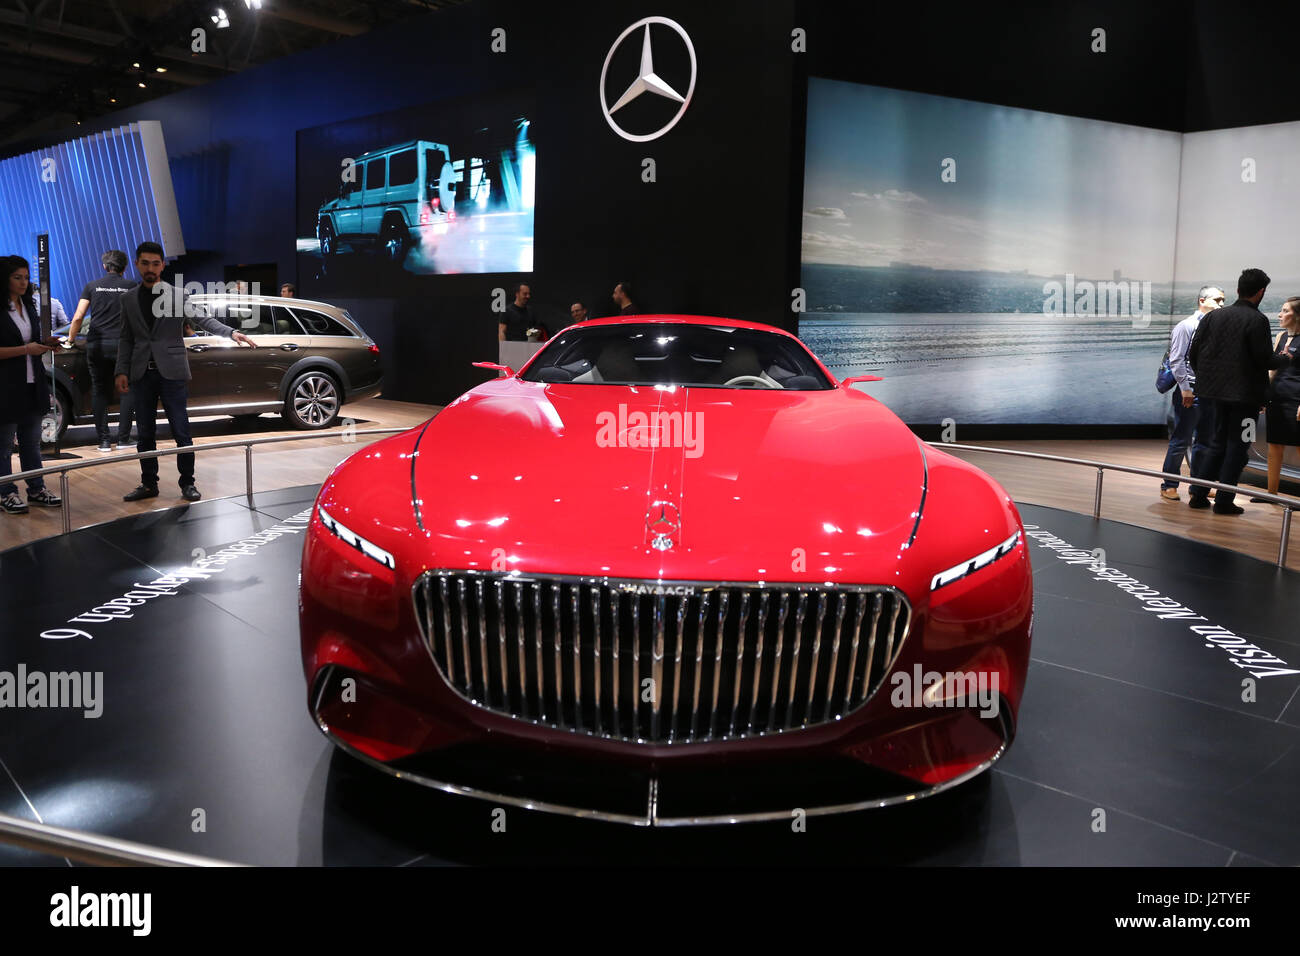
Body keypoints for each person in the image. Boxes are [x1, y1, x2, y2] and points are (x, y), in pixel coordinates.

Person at [114, 242, 257, 503]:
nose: (150, 268)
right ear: (137, 264)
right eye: (145, 263)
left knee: (182, 431)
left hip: (172, 373)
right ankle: (148, 483)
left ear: (162, 265)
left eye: (155, 263)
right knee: (145, 433)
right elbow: (126, 338)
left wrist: (232, 332)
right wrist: (121, 370)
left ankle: (188, 483)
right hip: (141, 375)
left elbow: (204, 319)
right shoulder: (127, 299)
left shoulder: (178, 295)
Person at [1187, 268, 1292, 514]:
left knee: (1215, 443)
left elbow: (1194, 353)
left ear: (1237, 289)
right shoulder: (1258, 321)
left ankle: (1198, 495)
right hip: (1246, 400)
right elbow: (1265, 360)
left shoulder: (1214, 317)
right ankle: (1224, 501)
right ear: (1261, 292)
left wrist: (1207, 379)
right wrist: (1285, 358)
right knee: (1239, 447)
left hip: (1212, 395)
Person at [0, 255, 62, 514]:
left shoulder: (29, 305)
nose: (24, 282)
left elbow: (32, 341)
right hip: (5, 386)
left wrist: (46, 342)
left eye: (26, 277)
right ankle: (6, 493)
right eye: (17, 277)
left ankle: (36, 488)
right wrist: (27, 348)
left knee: (31, 442)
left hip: (33, 382)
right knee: (3, 445)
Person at [65, 250, 139, 452]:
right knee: (126, 389)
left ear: (104, 266)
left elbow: (79, 317)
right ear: (125, 268)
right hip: (123, 346)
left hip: (97, 345)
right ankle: (124, 439)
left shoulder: (92, 286)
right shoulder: (132, 286)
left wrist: (71, 339)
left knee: (99, 390)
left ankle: (104, 441)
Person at [1158, 285, 1225, 500]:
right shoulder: (1186, 326)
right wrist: (1186, 389)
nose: (1221, 304)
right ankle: (1169, 484)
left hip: (1210, 391)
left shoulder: (1217, 328)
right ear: (1202, 301)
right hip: (1192, 391)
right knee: (1181, 439)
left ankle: (1199, 486)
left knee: (1205, 440)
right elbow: (1177, 359)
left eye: (1223, 300)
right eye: (1217, 300)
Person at [1255, 295, 1300, 500]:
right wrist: (1264, 395)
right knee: (1274, 446)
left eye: (1285, 311)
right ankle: (1271, 493)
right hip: (1277, 398)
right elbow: (1272, 370)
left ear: (1297, 315)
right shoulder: (1281, 336)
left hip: (1296, 400)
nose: (1280, 315)